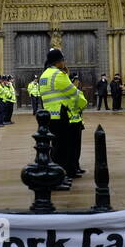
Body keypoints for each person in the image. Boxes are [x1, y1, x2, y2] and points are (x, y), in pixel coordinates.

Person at [37, 48, 78, 190]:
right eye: (63, 60)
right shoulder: (58, 75)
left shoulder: (44, 75)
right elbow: (74, 93)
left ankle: (58, 177)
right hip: (60, 115)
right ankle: (58, 179)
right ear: (58, 61)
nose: (64, 62)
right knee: (62, 149)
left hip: (48, 116)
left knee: (55, 148)